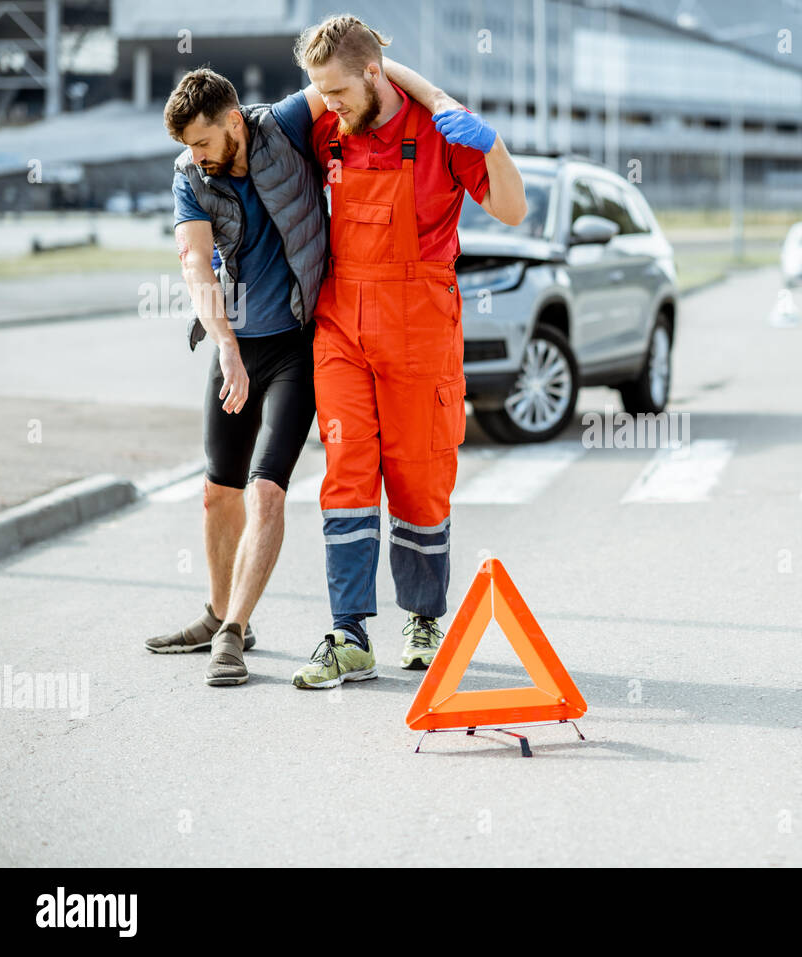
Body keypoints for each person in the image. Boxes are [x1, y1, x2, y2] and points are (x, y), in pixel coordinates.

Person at [147, 60, 462, 686]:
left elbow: (353, 71)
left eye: (205, 141)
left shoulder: (284, 124)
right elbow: (195, 267)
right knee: (219, 491)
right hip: (234, 344)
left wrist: (435, 97)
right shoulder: (190, 174)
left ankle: (234, 632)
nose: (198, 156)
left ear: (234, 120)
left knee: (268, 488)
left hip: (297, 342)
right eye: (188, 147)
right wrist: (227, 351)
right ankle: (217, 613)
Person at [287, 14, 527, 690]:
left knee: (419, 477)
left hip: (420, 326)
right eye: (319, 95)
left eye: (335, 91)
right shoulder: (327, 126)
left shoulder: (439, 132)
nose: (327, 106)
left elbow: (512, 209)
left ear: (372, 74)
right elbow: (269, 126)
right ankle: (349, 633)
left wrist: (493, 144)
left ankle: (423, 619)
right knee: (347, 473)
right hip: (342, 323)